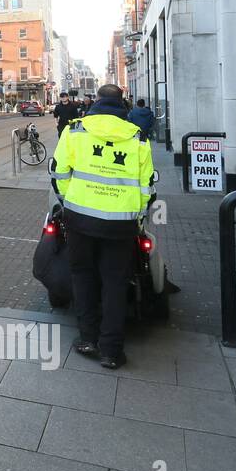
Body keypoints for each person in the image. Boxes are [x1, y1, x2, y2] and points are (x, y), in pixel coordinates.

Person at [49, 84, 154, 371]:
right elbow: (147, 186)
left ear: (95, 100)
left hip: (80, 218)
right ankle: (111, 351)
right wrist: (137, 212)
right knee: (115, 283)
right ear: (123, 103)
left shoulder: (75, 130)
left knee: (83, 276)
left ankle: (88, 339)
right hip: (121, 223)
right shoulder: (138, 137)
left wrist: (70, 199)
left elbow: (59, 172)